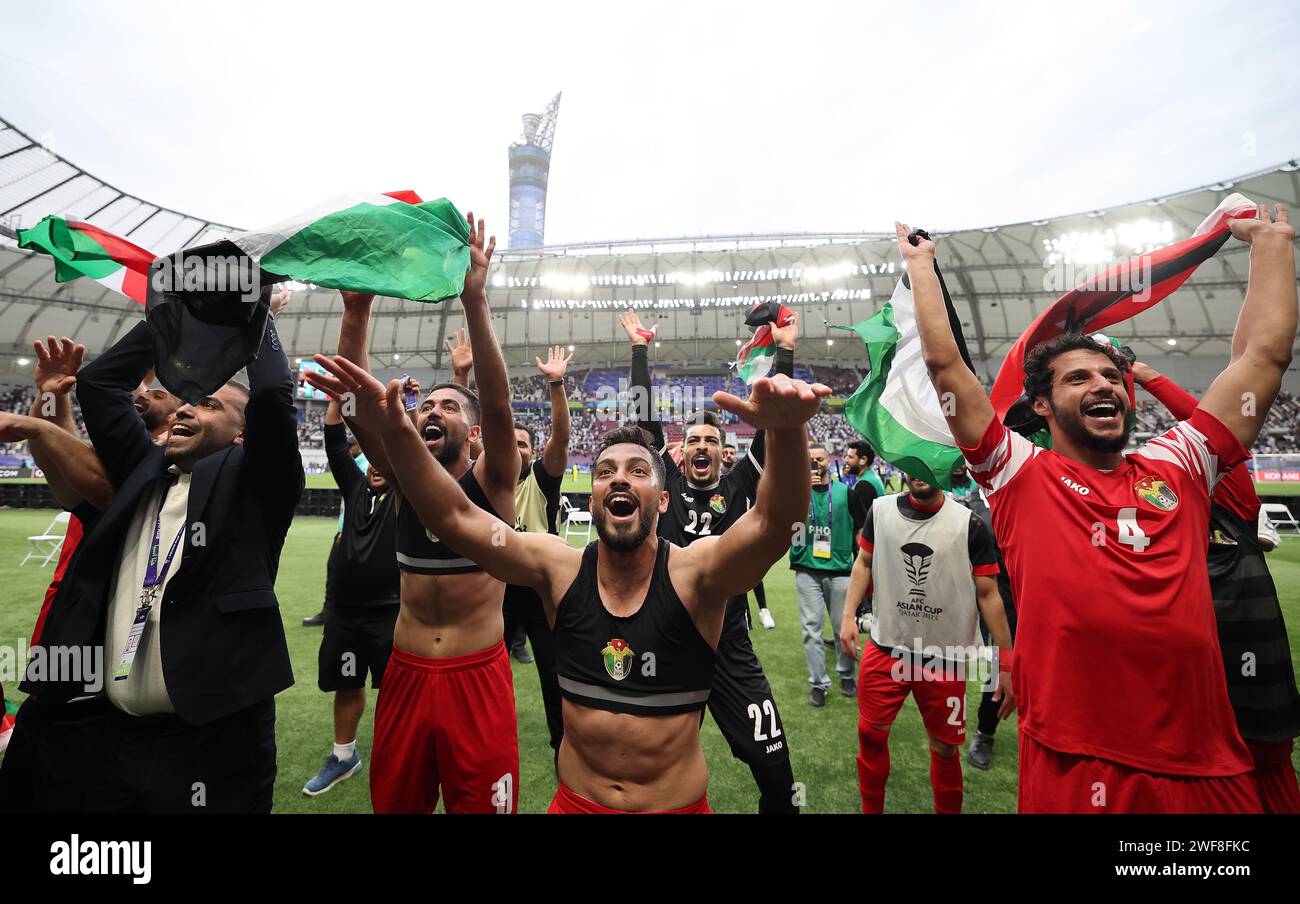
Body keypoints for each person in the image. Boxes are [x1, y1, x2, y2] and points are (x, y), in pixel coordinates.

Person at [309, 352, 828, 812]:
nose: (619, 478)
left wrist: (787, 431)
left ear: (662, 500)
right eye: (604, 471)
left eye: (637, 471)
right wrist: (397, 430)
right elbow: (452, 518)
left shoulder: (698, 574)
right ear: (592, 496)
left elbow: (771, 527)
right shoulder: (558, 568)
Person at [905, 204, 1297, 812]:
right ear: (1040, 406)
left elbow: (1261, 362)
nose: (1104, 385)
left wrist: (1270, 245)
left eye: (1112, 375)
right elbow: (944, 366)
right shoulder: (1018, 476)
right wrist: (921, 265)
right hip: (1076, 762)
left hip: (1207, 764)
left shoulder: (1181, 466)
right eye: (1078, 378)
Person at [6, 293, 302, 814]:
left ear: (243, 434)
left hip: (213, 745)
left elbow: (275, 392)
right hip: (115, 737)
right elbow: (101, 383)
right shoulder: (143, 471)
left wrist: (251, 312)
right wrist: (180, 314)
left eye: (209, 403)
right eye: (187, 400)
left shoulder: (256, 484)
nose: (186, 407)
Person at [305, 214, 522, 814]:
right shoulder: (403, 482)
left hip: (476, 677)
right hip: (403, 673)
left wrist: (475, 300)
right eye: (426, 402)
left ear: (473, 433)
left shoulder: (494, 481)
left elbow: (499, 404)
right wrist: (355, 311)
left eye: (448, 405)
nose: (432, 409)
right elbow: (354, 410)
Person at [618, 307, 800, 814]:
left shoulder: (742, 482)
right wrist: (639, 351)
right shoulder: (667, 485)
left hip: (730, 640)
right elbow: (643, 420)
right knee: (650, 770)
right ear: (678, 454)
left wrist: (783, 350)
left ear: (725, 454)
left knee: (777, 773)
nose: (701, 446)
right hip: (668, 638)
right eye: (693, 440)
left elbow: (775, 423)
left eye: (711, 442)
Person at [1132, 361, 1300, 812]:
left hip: (1252, 675)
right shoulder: (1148, 512)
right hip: (1182, 675)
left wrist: (1147, 375)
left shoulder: (1233, 500)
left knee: (1267, 765)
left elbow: (1212, 426)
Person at [839, 472, 1013, 812]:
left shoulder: (970, 525)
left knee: (945, 749)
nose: (920, 472)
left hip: (944, 656)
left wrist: (1005, 662)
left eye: (927, 463)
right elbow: (863, 562)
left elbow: (990, 596)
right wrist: (848, 616)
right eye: (912, 463)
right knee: (871, 735)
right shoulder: (880, 510)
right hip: (887, 647)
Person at [302, 396, 400, 796]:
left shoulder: (407, 493)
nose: (376, 466)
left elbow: (410, 452)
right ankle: (344, 756)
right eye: (371, 459)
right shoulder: (354, 485)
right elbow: (334, 444)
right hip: (345, 615)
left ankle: (397, 758)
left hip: (391, 614)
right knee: (347, 682)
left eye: (384, 459)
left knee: (396, 692)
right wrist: (335, 404)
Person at [792, 441, 857, 706]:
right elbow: (785, 523)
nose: (816, 464)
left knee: (843, 627)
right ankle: (818, 683)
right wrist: (801, 490)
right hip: (807, 569)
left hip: (840, 569)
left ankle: (846, 674)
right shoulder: (796, 493)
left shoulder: (846, 492)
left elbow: (860, 532)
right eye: (810, 460)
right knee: (811, 629)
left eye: (820, 459)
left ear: (829, 461)